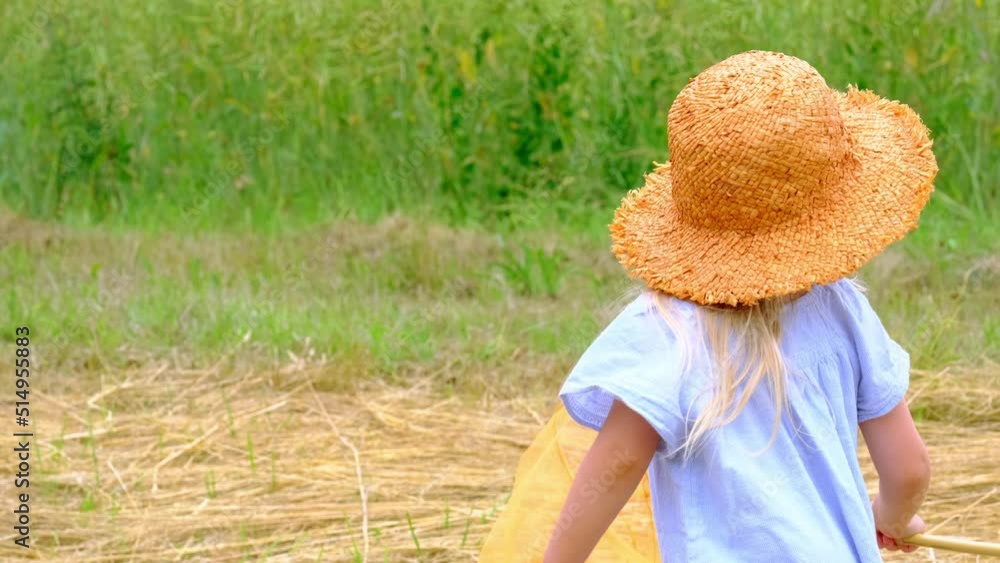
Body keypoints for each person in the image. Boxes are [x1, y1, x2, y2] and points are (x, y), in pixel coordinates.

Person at [544, 51, 937, 562]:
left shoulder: (665, 333)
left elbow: (617, 464)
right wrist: (891, 516)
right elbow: (909, 470)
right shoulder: (844, 311)